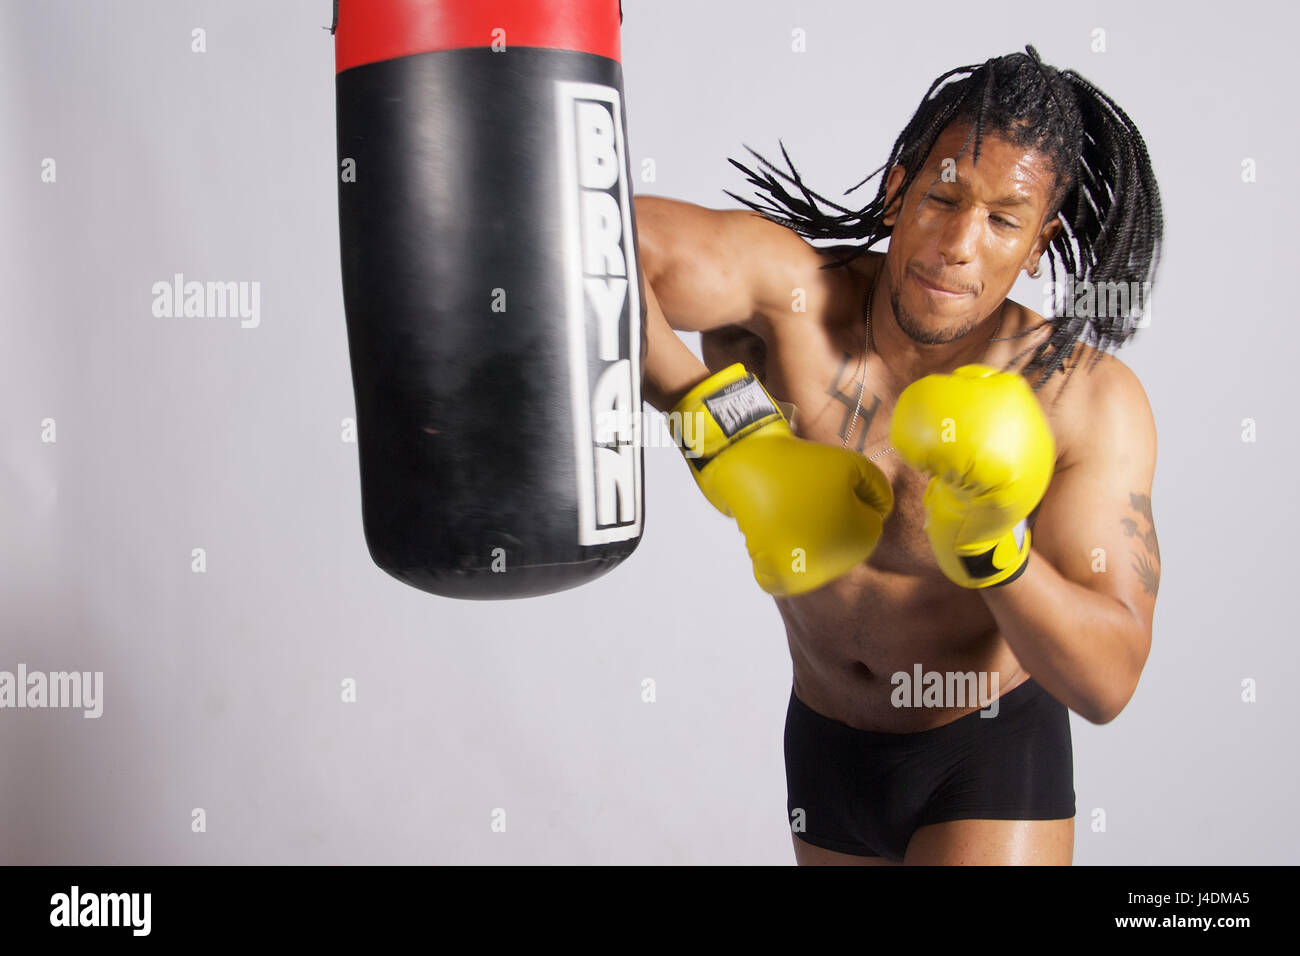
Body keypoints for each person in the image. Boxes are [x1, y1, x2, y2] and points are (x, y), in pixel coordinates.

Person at [635, 45, 1162, 865]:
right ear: (897, 191)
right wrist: (717, 423)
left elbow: (1109, 681)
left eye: (1001, 221)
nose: (958, 242)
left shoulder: (1081, 400)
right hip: (823, 746)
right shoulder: (794, 299)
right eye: (943, 196)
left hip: (983, 759)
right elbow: (589, 245)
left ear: (1038, 243)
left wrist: (997, 551)